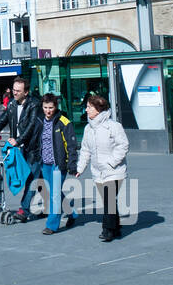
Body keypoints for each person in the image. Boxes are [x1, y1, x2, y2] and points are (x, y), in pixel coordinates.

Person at [0, 76, 42, 222]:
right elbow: (2, 120)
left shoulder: (34, 104)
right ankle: (61, 206)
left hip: (33, 149)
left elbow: (31, 126)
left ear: (26, 92)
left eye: (18, 91)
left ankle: (23, 210)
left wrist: (18, 140)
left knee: (31, 179)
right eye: (14, 90)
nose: (14, 93)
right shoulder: (11, 104)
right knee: (42, 181)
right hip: (18, 149)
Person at [74, 94, 129, 242]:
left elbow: (123, 146)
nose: (86, 110)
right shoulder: (88, 129)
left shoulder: (113, 126)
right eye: (87, 107)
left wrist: (111, 162)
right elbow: (85, 150)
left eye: (89, 107)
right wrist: (80, 168)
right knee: (108, 200)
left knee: (109, 199)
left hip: (114, 172)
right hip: (97, 172)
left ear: (99, 109)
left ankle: (108, 230)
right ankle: (116, 227)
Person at [37, 93, 78, 234]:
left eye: (51, 107)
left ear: (56, 107)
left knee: (54, 194)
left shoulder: (64, 122)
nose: (48, 111)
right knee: (55, 192)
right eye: (45, 107)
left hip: (59, 164)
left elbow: (72, 145)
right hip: (45, 163)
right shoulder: (40, 121)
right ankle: (71, 212)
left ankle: (51, 225)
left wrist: (72, 164)